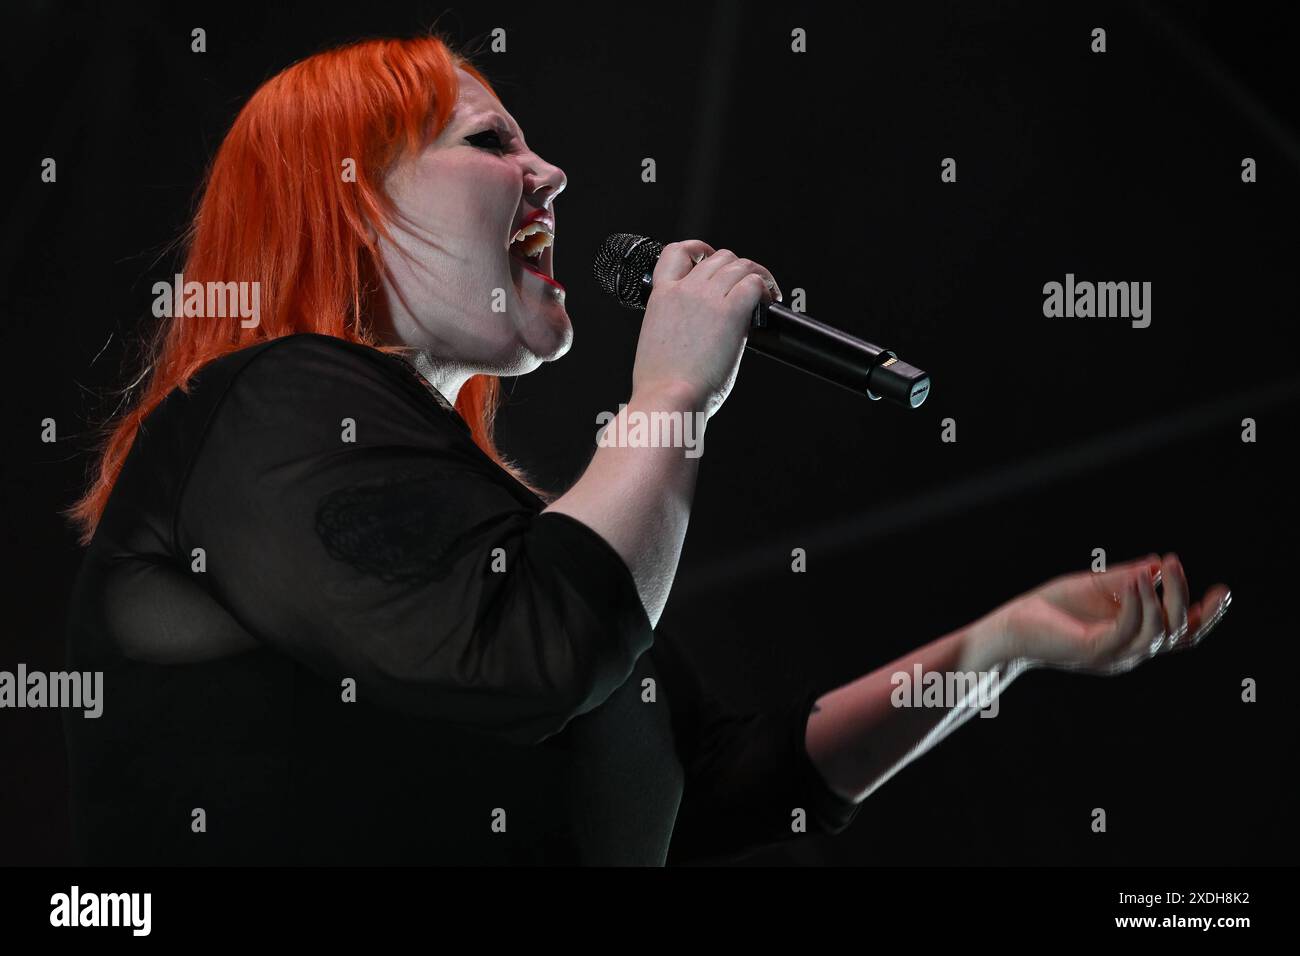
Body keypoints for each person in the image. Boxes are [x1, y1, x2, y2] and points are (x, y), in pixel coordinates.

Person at [62, 34, 1232, 865]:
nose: (551, 173)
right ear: (353, 197)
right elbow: (536, 655)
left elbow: (720, 786)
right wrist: (674, 390)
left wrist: (995, 646)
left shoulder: (485, 537)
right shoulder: (261, 405)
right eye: (490, 140)